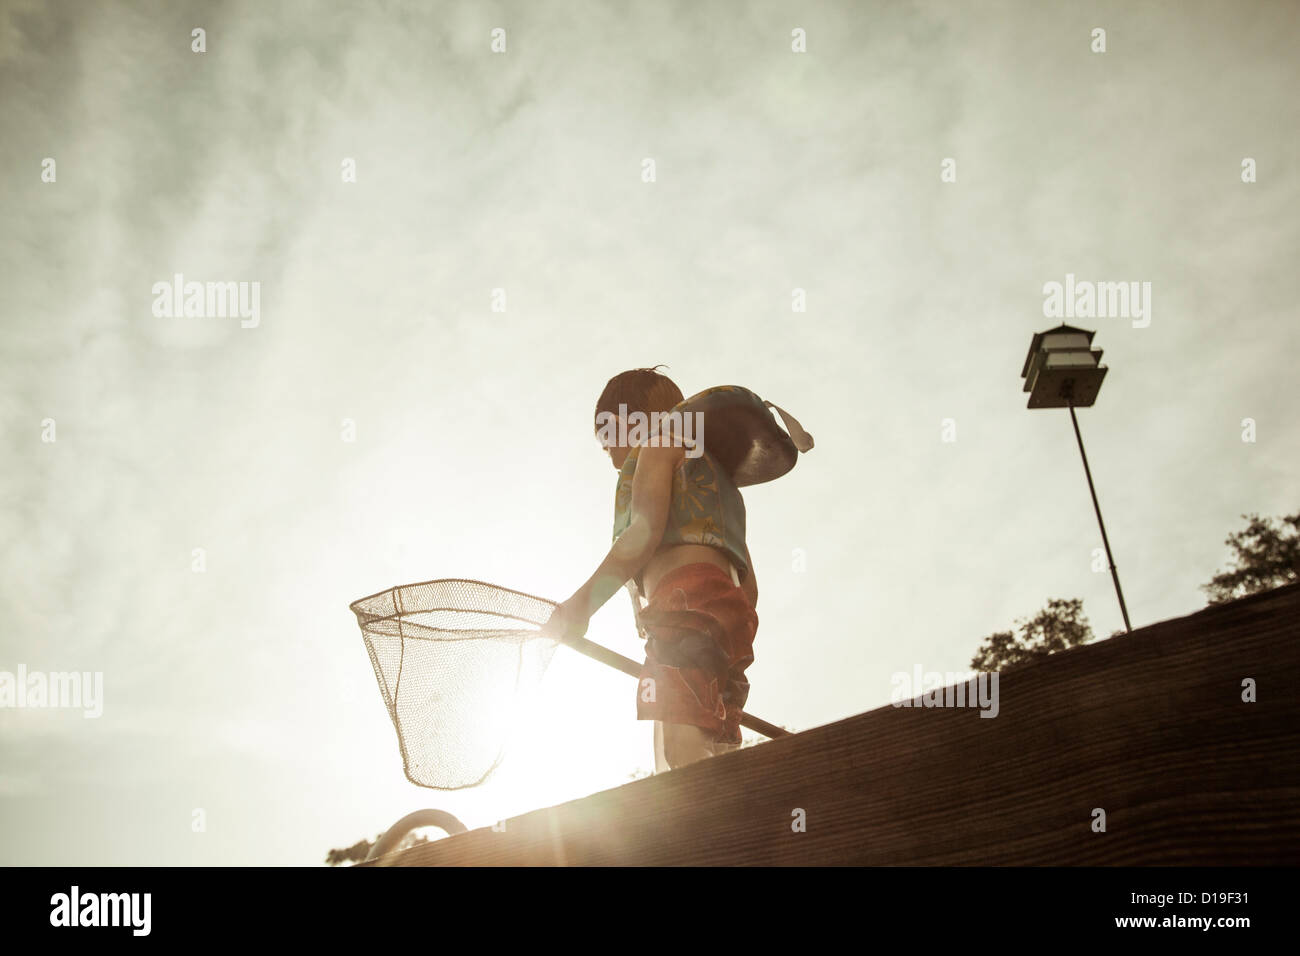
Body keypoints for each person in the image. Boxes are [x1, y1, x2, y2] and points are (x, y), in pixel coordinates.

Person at [544, 367, 809, 771]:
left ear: (635, 421)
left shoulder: (658, 446)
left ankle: (703, 827)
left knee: (679, 751)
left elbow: (643, 534)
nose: (608, 453)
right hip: (732, 622)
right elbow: (748, 584)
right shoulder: (718, 484)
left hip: (685, 605)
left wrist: (580, 607)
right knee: (713, 747)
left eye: (607, 436)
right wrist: (727, 631)